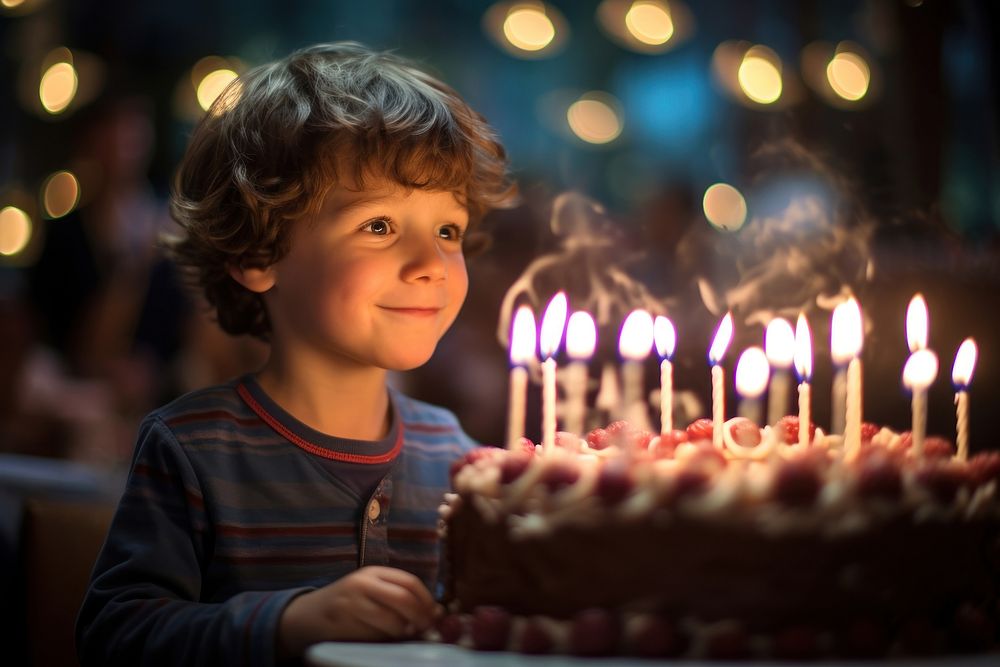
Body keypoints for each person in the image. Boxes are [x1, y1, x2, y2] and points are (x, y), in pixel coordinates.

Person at [76, 42, 517, 666]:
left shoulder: (458, 460)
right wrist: (287, 622)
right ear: (259, 254)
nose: (430, 266)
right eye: (380, 226)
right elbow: (114, 636)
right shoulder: (193, 449)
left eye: (448, 230)